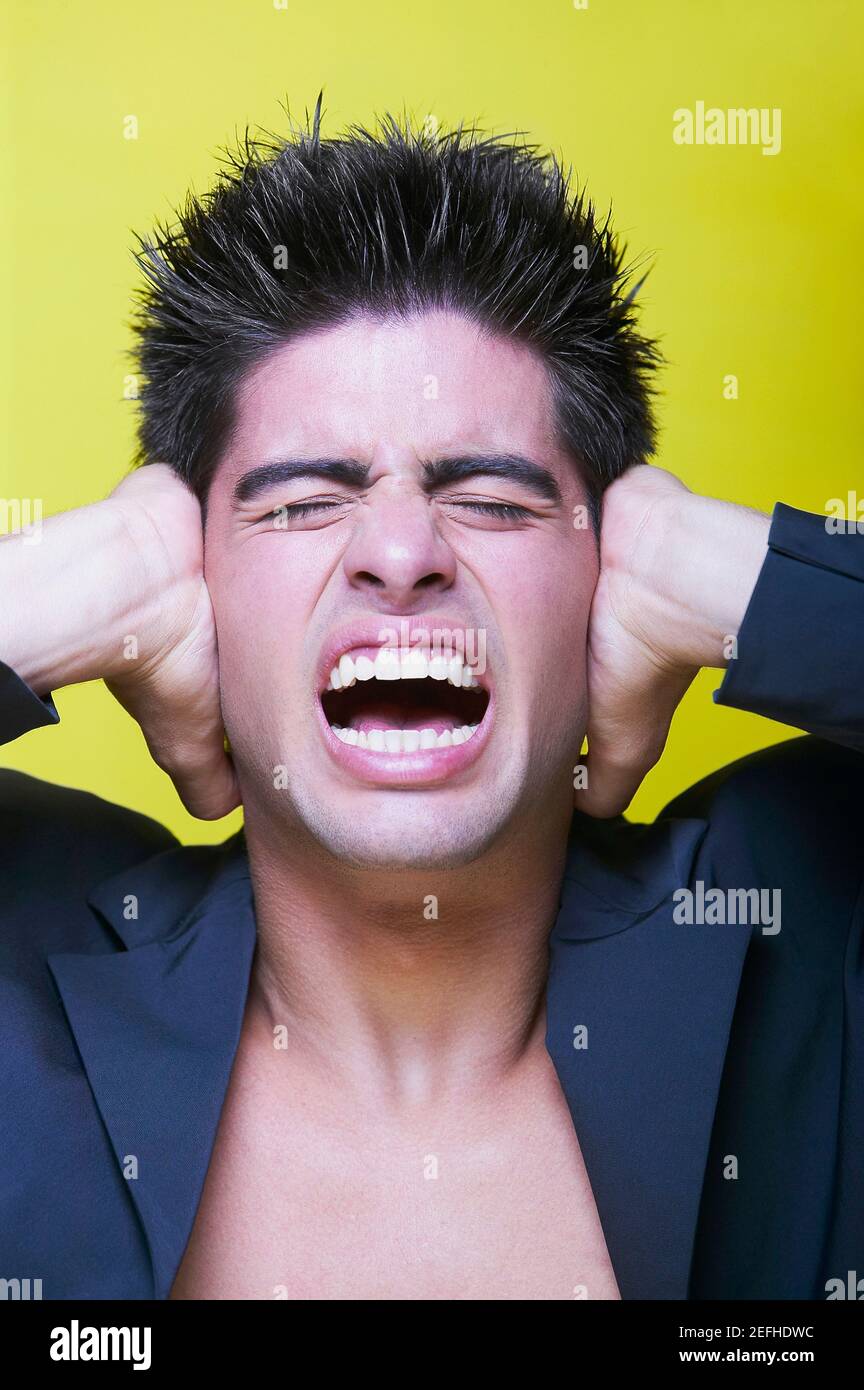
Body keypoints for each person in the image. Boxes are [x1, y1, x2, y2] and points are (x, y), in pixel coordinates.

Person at [1, 104, 861, 1301]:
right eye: (299, 503)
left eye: (499, 502)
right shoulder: (19, 958)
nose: (401, 550)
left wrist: (727, 572)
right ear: (194, 584)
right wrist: (53, 591)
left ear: (608, 580)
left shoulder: (817, 925)